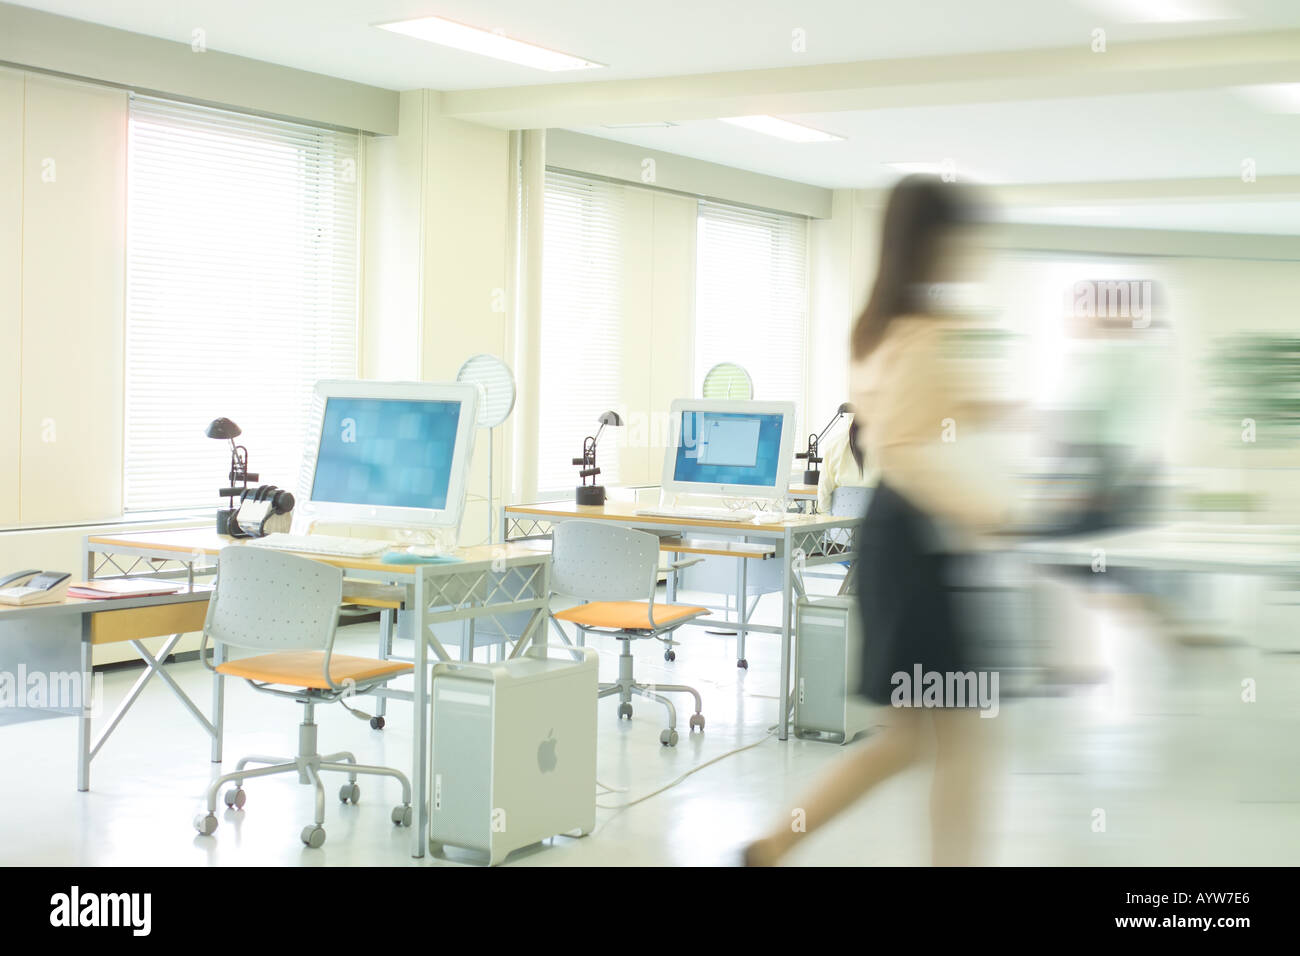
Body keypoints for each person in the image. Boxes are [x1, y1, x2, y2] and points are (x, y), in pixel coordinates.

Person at [744, 175, 1014, 867]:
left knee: (914, 740)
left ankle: (772, 847)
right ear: (935, 243)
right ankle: (774, 847)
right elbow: (901, 450)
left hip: (904, 542)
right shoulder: (924, 334)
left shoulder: (884, 328)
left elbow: (917, 422)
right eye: (964, 240)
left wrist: (996, 412)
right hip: (919, 543)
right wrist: (989, 511)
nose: (973, 254)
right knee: (953, 739)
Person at [816, 415, 877, 515]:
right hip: (880, 527)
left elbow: (823, 497)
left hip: (840, 528)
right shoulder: (892, 446)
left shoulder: (834, 444)